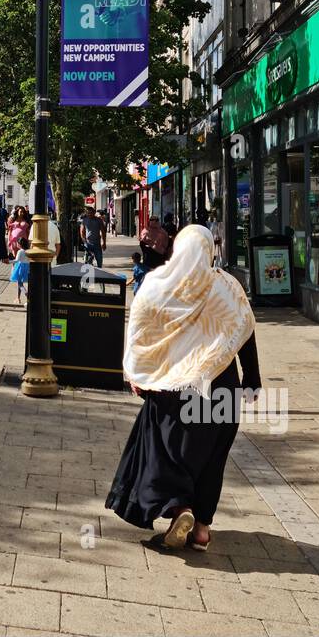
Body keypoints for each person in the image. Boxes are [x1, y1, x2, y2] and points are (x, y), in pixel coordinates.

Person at [106, 225, 258, 552]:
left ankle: (180, 508)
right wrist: (253, 379)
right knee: (213, 459)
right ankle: (202, 530)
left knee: (168, 451)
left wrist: (138, 375)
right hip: (223, 387)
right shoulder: (227, 285)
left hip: (176, 387)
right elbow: (245, 329)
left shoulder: (159, 284)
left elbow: (140, 333)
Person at [9, 236, 31, 304]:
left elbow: (16, 260)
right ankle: (18, 298)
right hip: (27, 267)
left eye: (17, 243)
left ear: (20, 244)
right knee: (20, 283)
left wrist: (8, 262)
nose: (16, 245)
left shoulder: (20, 251)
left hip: (20, 267)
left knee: (20, 284)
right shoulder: (28, 251)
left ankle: (26, 293)